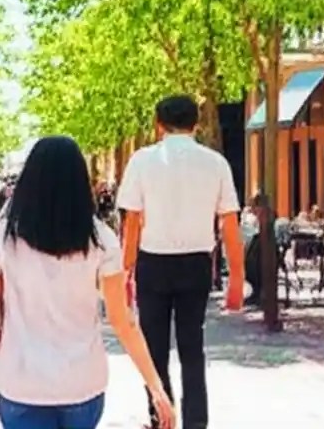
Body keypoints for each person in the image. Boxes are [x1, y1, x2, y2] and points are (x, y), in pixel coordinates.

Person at [0, 136, 175, 429]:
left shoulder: (5, 235)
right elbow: (123, 321)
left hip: (20, 382)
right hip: (81, 383)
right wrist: (156, 387)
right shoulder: (101, 240)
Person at [119, 95, 244, 429]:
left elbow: (132, 221)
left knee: (154, 349)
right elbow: (229, 223)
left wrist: (126, 270)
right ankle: (196, 423)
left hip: (153, 263)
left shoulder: (142, 161)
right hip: (196, 265)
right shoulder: (215, 163)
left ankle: (161, 418)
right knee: (193, 348)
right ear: (196, 124)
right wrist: (236, 278)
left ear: (158, 125)